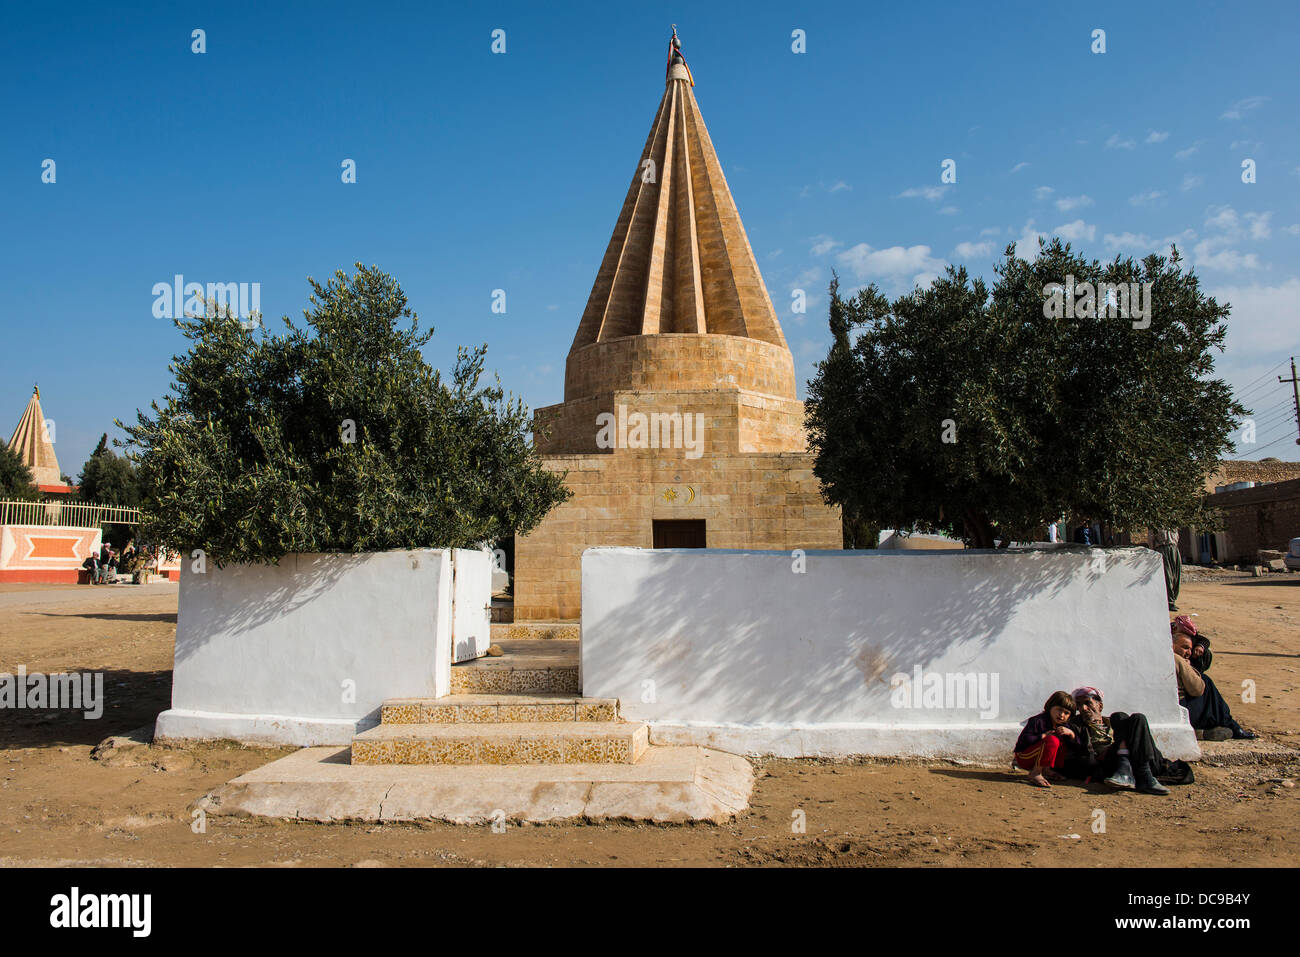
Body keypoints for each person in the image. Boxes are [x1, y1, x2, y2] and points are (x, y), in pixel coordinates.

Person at [1066, 687, 1169, 794]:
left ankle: (1138, 772)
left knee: (1135, 717)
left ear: (1100, 705)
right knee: (1120, 717)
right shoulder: (1077, 726)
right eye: (1079, 705)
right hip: (1111, 763)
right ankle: (1140, 775)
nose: (1083, 708)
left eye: (1088, 703)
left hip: (1144, 761)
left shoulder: (1113, 723)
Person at [1172, 618, 1255, 740]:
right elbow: (1197, 689)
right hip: (1179, 710)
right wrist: (1188, 667)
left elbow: (1203, 640)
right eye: (1185, 648)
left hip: (1172, 708)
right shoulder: (1176, 659)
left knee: (1210, 699)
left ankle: (1224, 724)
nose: (1189, 652)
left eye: (1190, 648)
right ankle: (1229, 724)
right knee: (1206, 682)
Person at [1013, 691, 1082, 788]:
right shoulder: (1038, 721)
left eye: (1066, 713)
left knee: (1061, 741)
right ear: (1050, 707)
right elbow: (1024, 740)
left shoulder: (1064, 726)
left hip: (1039, 757)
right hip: (1025, 757)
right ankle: (1036, 773)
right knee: (1052, 740)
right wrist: (1043, 736)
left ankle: (1047, 770)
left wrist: (1071, 734)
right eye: (1059, 710)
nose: (1062, 715)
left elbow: (1078, 746)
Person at [1152, 529, 1181, 611]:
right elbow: (1151, 539)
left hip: (1174, 548)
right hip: (1162, 548)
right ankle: (1169, 602)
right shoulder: (1155, 525)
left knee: (1176, 574)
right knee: (1167, 575)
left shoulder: (1174, 523)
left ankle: (1173, 599)